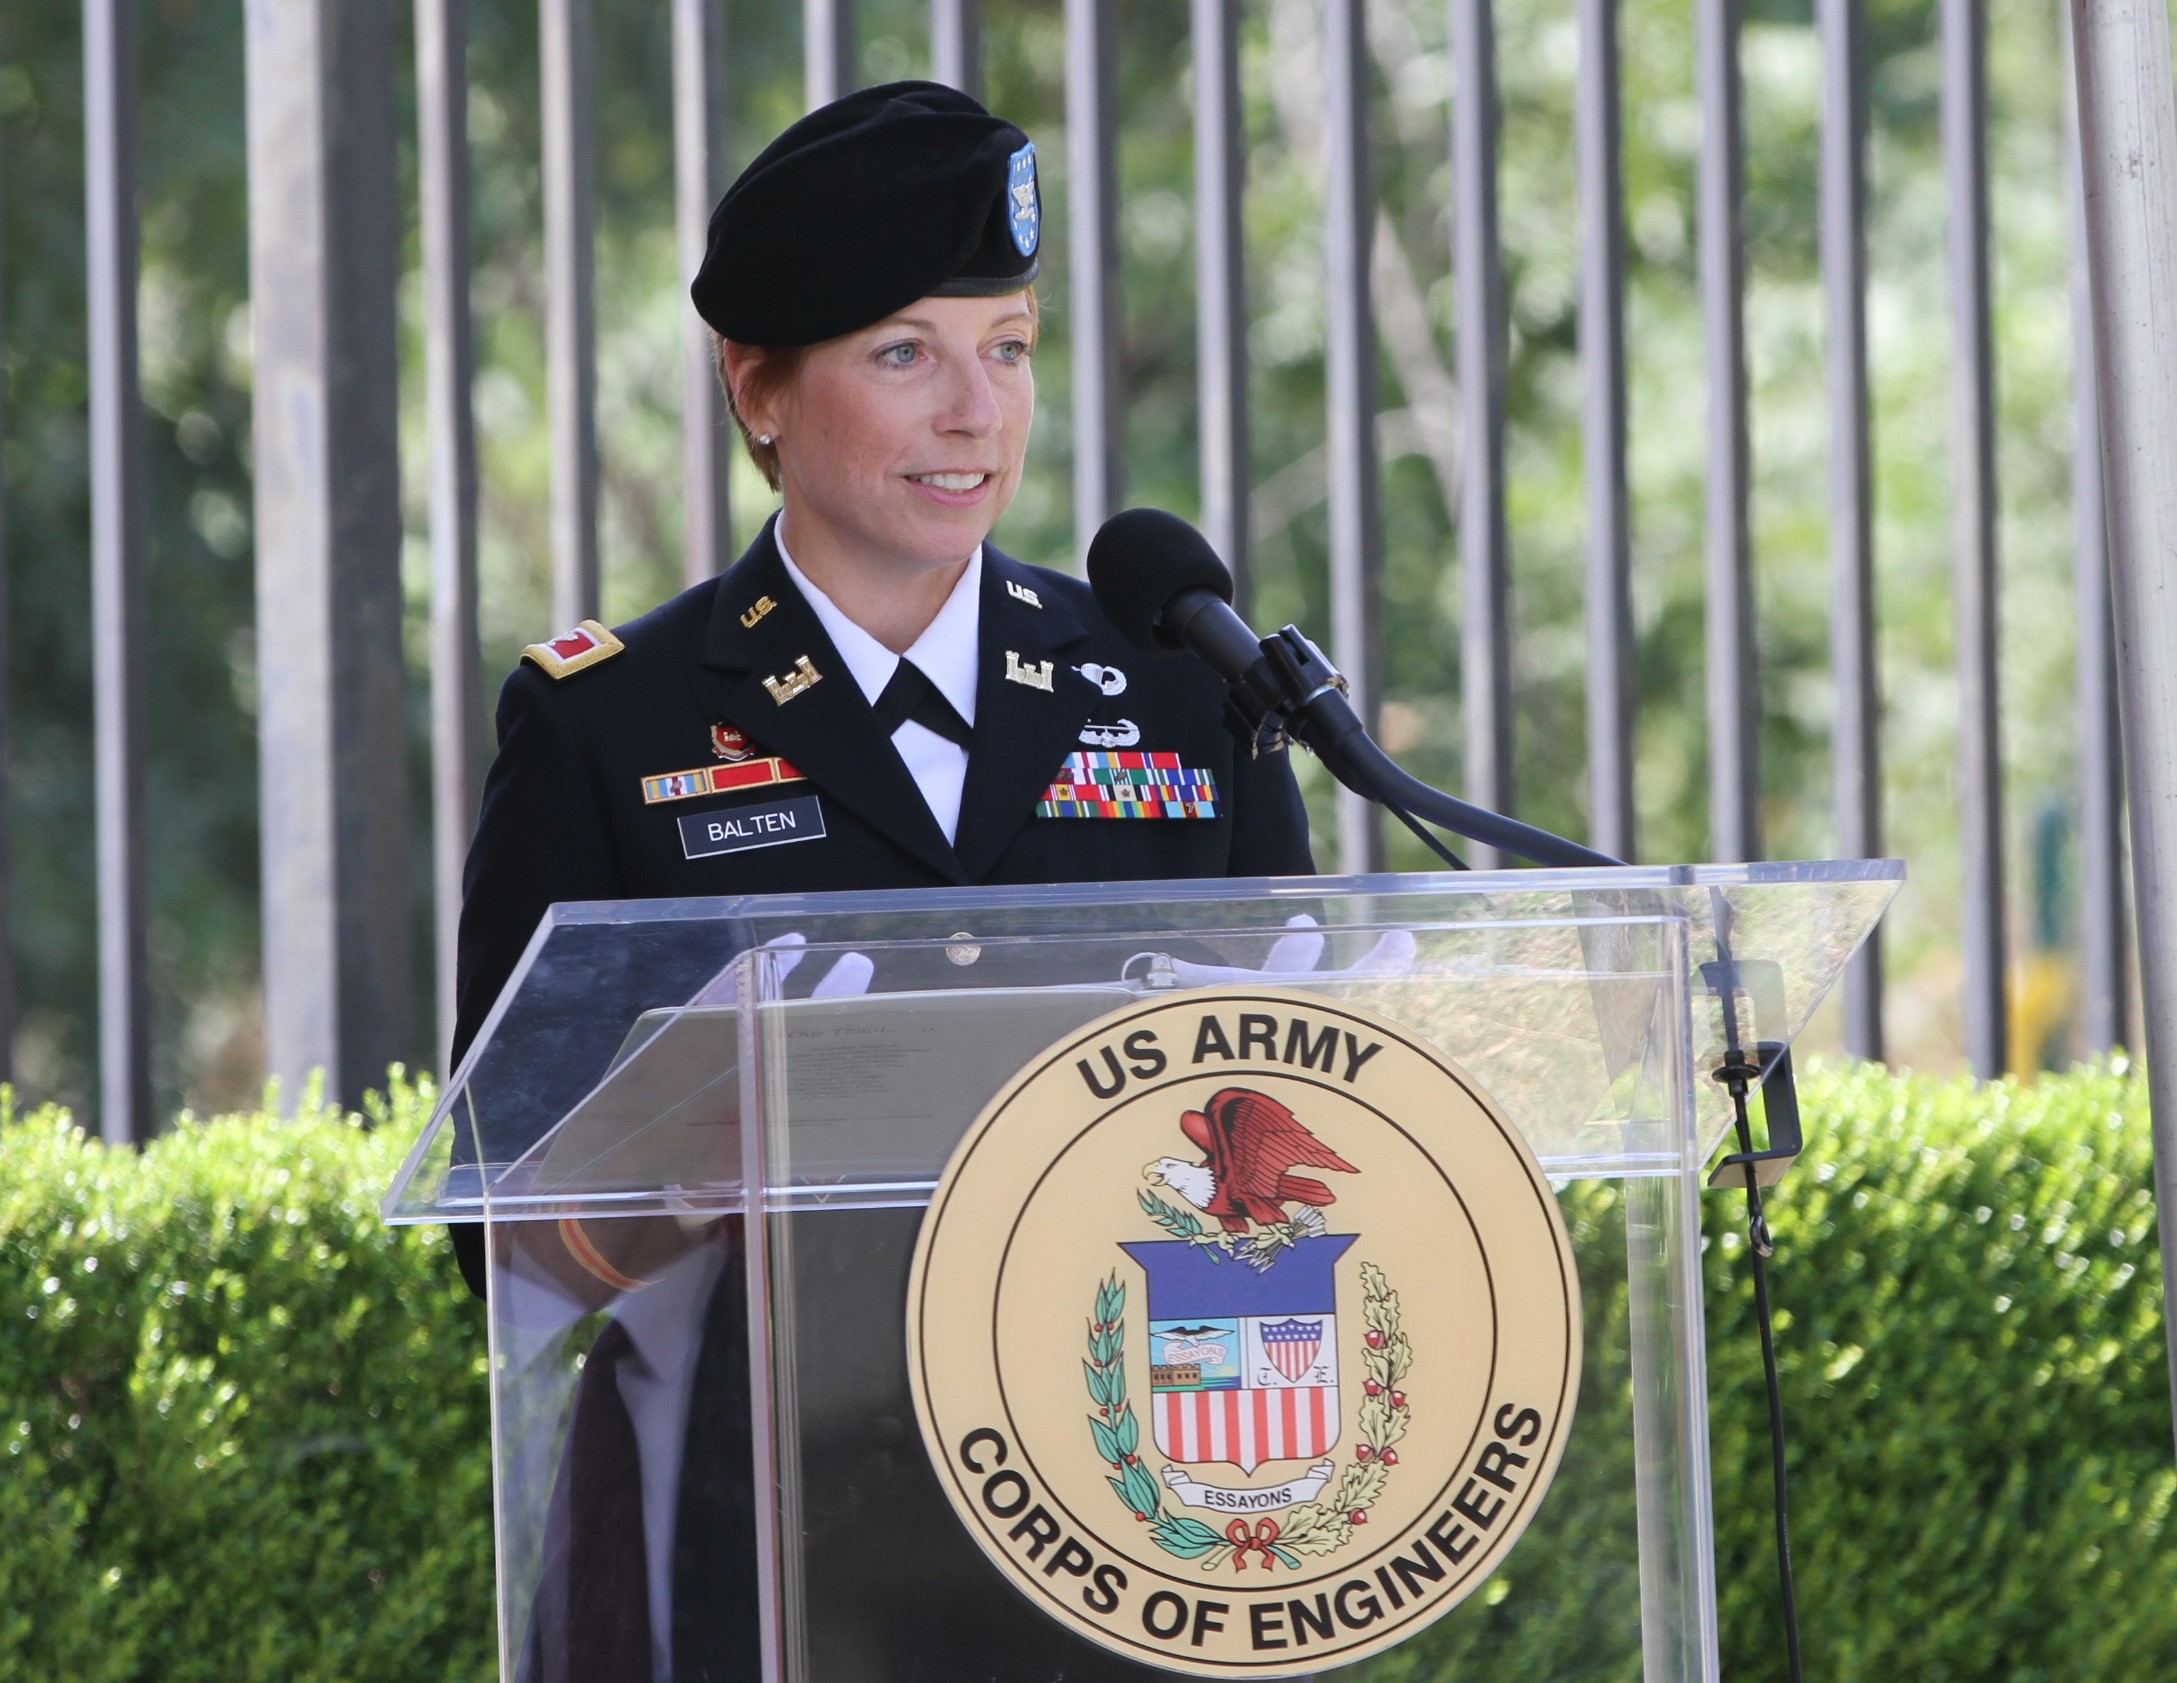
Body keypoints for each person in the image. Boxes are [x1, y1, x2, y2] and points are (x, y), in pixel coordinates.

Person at [448, 82, 1315, 1683]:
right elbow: (496, 1235)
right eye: (904, 352)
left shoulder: (1184, 688)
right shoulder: (606, 723)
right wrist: (683, 1151)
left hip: (1133, 1517)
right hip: (748, 1537)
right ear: (755, 387)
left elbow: (1293, 1067)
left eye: (1009, 344)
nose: (977, 412)